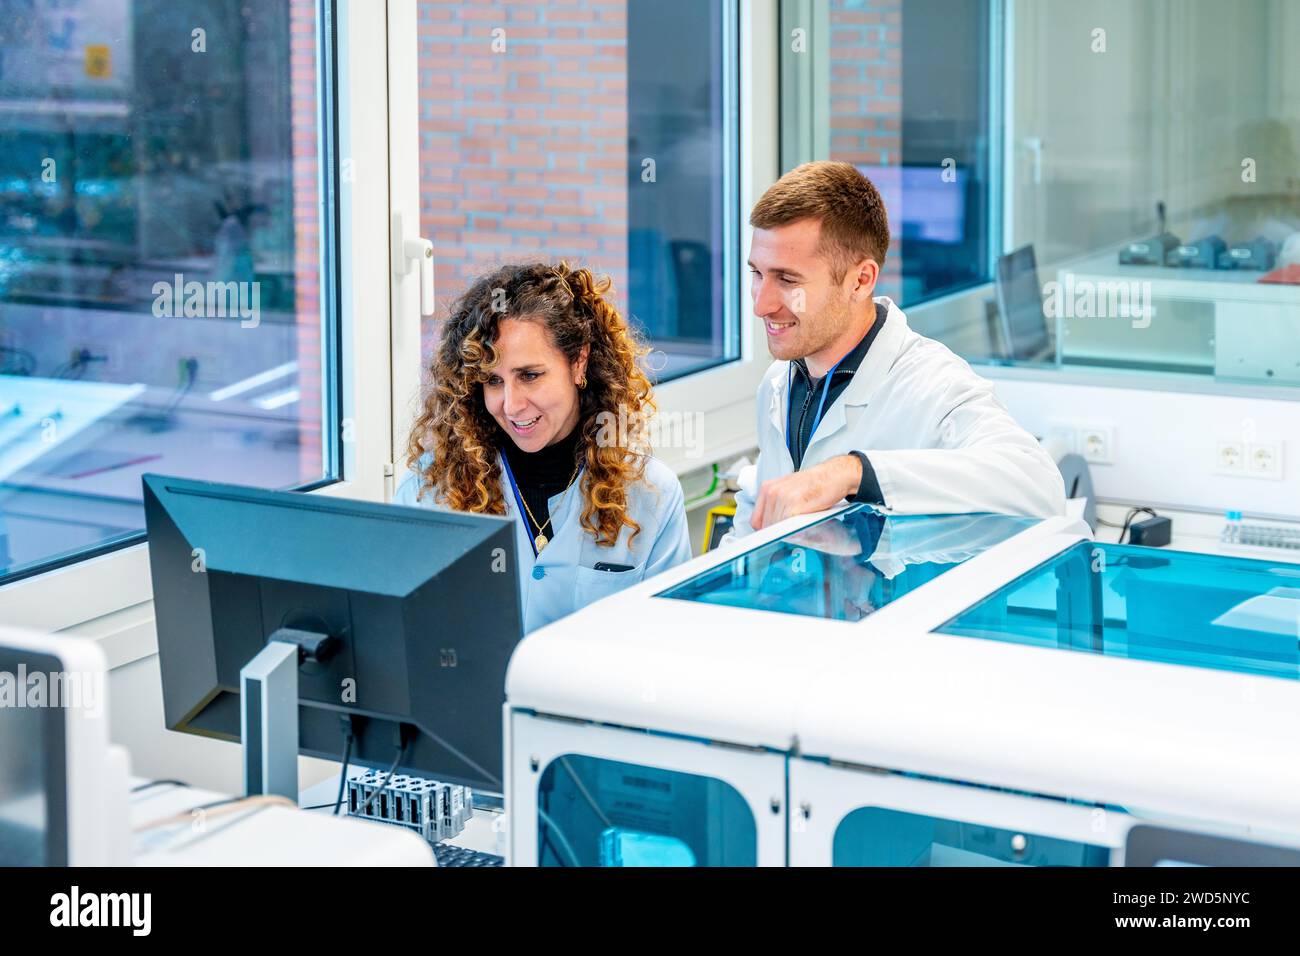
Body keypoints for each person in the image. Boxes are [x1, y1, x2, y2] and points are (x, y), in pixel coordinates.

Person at [732, 161, 1065, 539]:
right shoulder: (780, 380)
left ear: (861, 280)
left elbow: (1040, 486)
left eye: (788, 279)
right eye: (757, 274)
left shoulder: (932, 384)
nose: (761, 305)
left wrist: (852, 472)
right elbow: (759, 508)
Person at [396, 262, 692, 633]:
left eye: (530, 376)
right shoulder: (429, 491)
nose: (511, 404)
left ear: (578, 362)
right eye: (492, 381)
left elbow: (669, 641)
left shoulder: (651, 494)